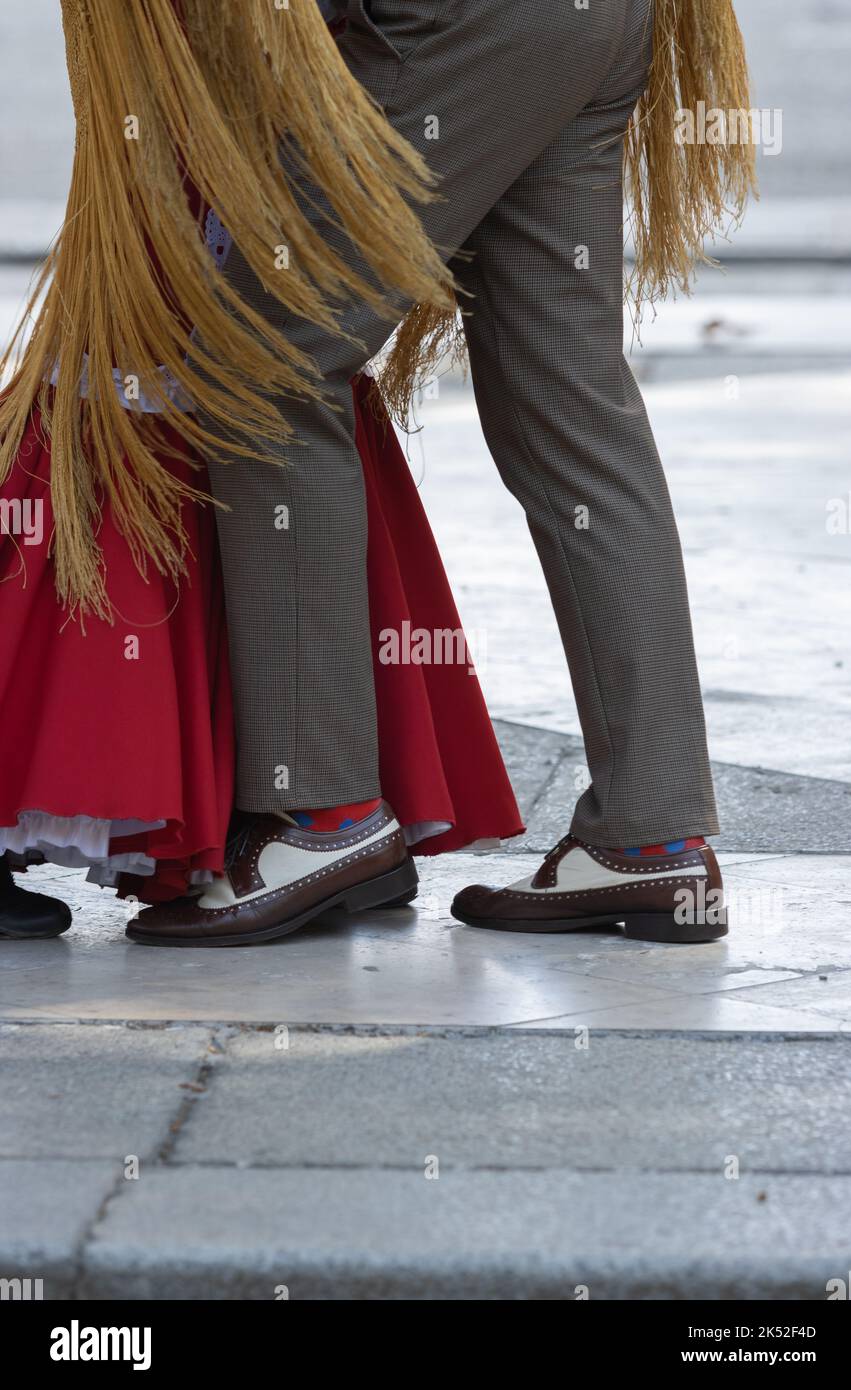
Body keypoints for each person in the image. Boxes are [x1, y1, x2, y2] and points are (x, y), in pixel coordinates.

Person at [126, 0, 755, 946]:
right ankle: (650, 836)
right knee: (572, 406)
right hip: (598, 22)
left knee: (267, 357)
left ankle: (324, 818)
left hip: (461, 21)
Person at [0, 0, 521, 940]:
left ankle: (310, 817)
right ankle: (306, 816)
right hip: (206, 96)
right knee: (209, 368)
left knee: (242, 374)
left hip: (234, 99)